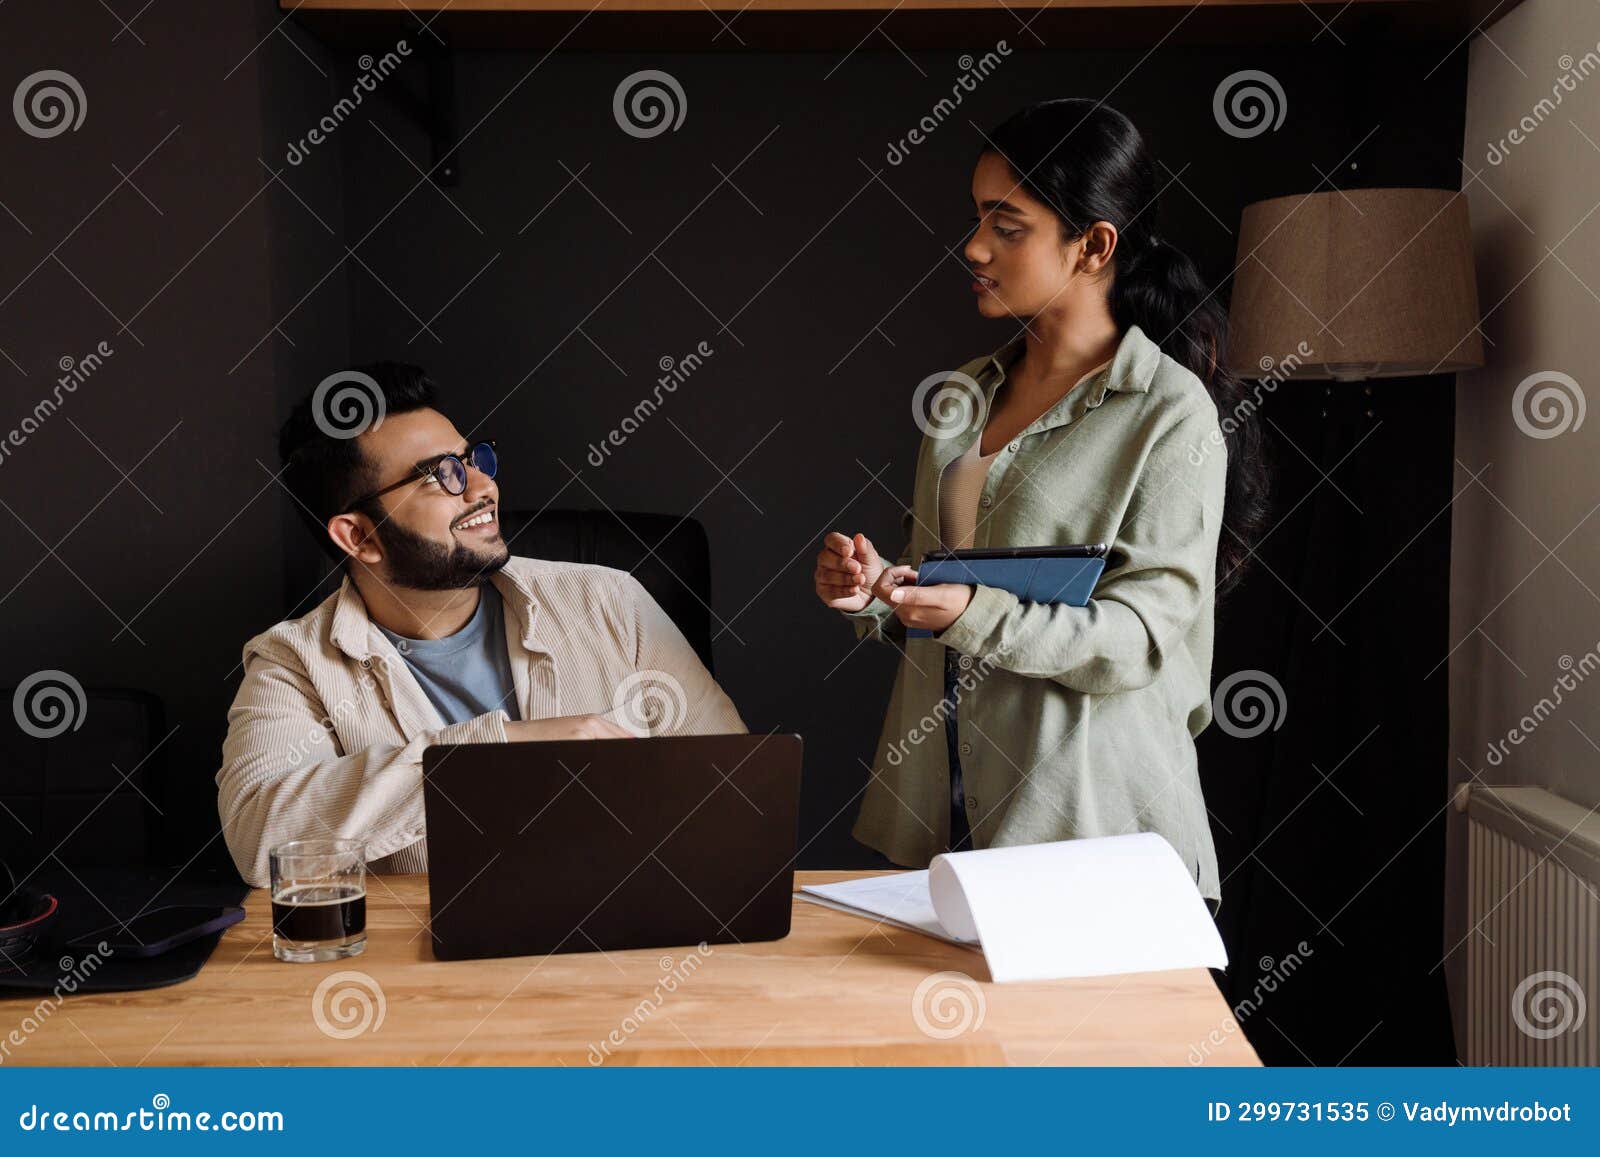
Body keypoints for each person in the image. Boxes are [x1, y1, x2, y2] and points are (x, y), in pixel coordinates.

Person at [813, 99, 1270, 917]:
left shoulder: (1170, 414)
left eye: (1008, 225)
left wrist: (971, 612)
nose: (974, 247)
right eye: (976, 218)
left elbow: (1137, 640)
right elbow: (943, 589)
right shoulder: (963, 395)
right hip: (953, 820)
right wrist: (878, 590)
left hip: (1095, 837)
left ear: (1094, 245)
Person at [217, 363, 744, 887]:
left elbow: (735, 790)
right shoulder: (294, 664)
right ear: (360, 537)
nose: (483, 486)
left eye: (471, 460)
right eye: (438, 475)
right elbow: (261, 840)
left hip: (628, 919)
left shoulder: (611, 601)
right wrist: (503, 748)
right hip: (426, 940)